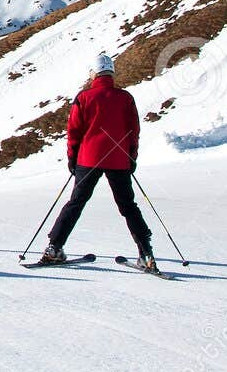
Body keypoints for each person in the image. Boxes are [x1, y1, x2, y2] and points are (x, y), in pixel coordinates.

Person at [40, 53, 155, 269]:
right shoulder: (125, 98)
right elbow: (134, 131)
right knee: (128, 206)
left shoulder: (84, 98)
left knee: (76, 203)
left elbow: (74, 131)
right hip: (119, 159)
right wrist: (132, 156)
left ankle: (54, 247)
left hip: (88, 159)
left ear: (94, 73)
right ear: (111, 72)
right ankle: (146, 253)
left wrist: (72, 158)